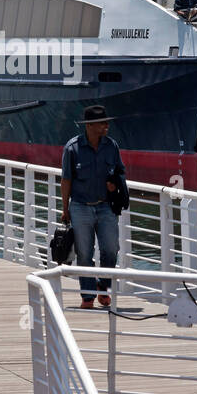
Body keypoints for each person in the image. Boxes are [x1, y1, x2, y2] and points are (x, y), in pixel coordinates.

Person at [60, 105, 126, 309]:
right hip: (80, 207)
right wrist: (65, 209)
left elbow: (120, 171)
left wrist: (115, 184)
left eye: (107, 122)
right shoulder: (72, 148)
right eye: (102, 123)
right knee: (84, 252)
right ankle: (88, 296)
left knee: (111, 249)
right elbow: (66, 180)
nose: (107, 126)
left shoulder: (111, 146)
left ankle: (103, 285)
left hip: (105, 206)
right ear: (89, 125)